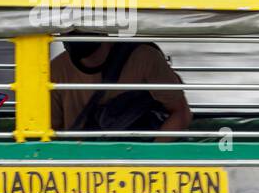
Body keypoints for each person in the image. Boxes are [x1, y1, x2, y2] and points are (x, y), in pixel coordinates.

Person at [49, 38, 192, 135]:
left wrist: (146, 158)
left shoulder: (144, 58)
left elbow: (181, 114)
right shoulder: (54, 71)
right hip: (81, 165)